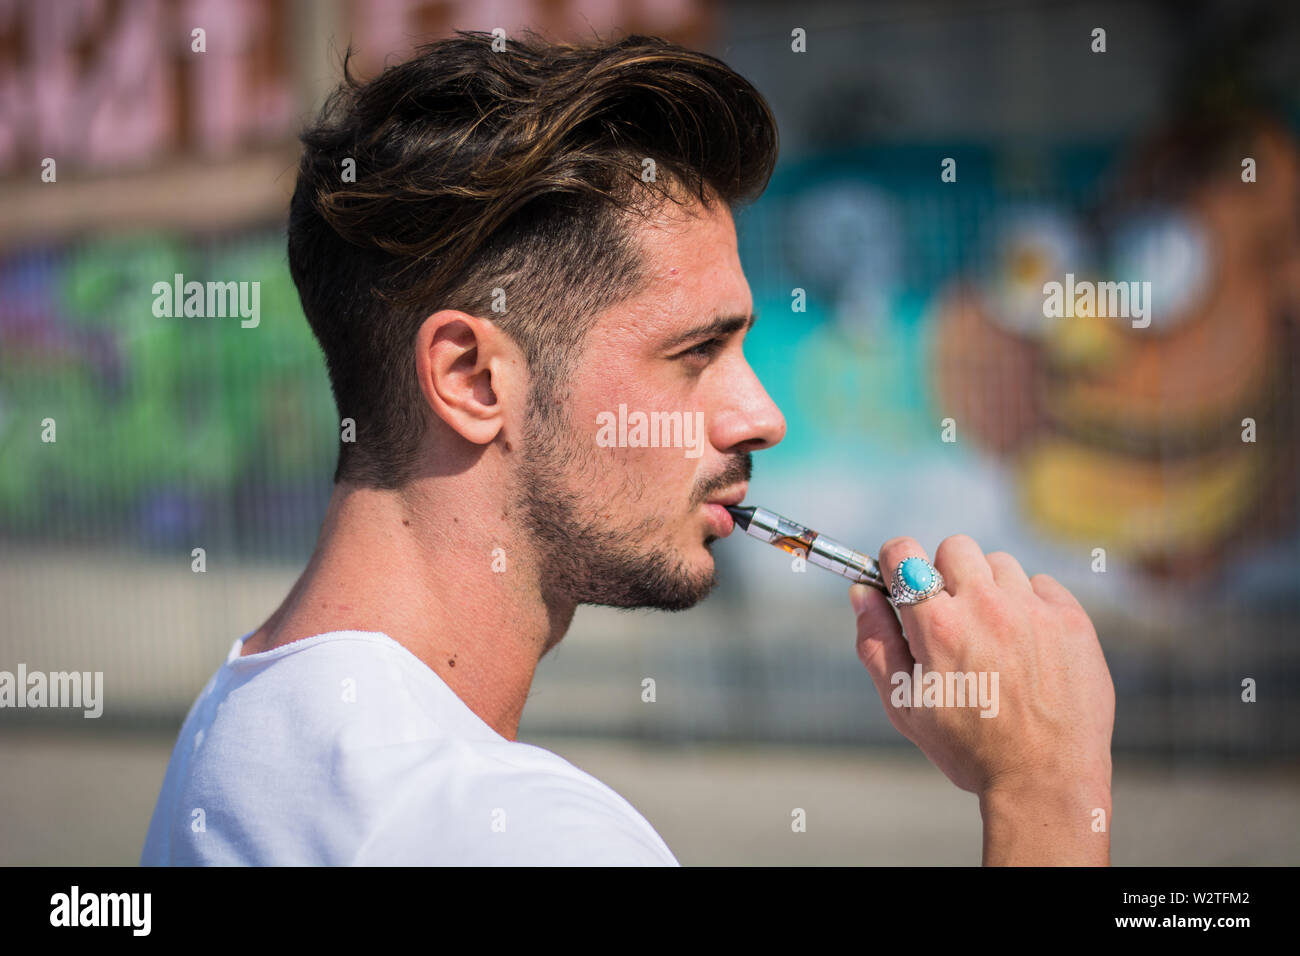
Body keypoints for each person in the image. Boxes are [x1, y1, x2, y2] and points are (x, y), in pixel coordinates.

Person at [141, 30, 1114, 866]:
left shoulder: (243, 711)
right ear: (476, 380)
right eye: (696, 350)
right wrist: (1047, 793)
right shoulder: (515, 833)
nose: (761, 414)